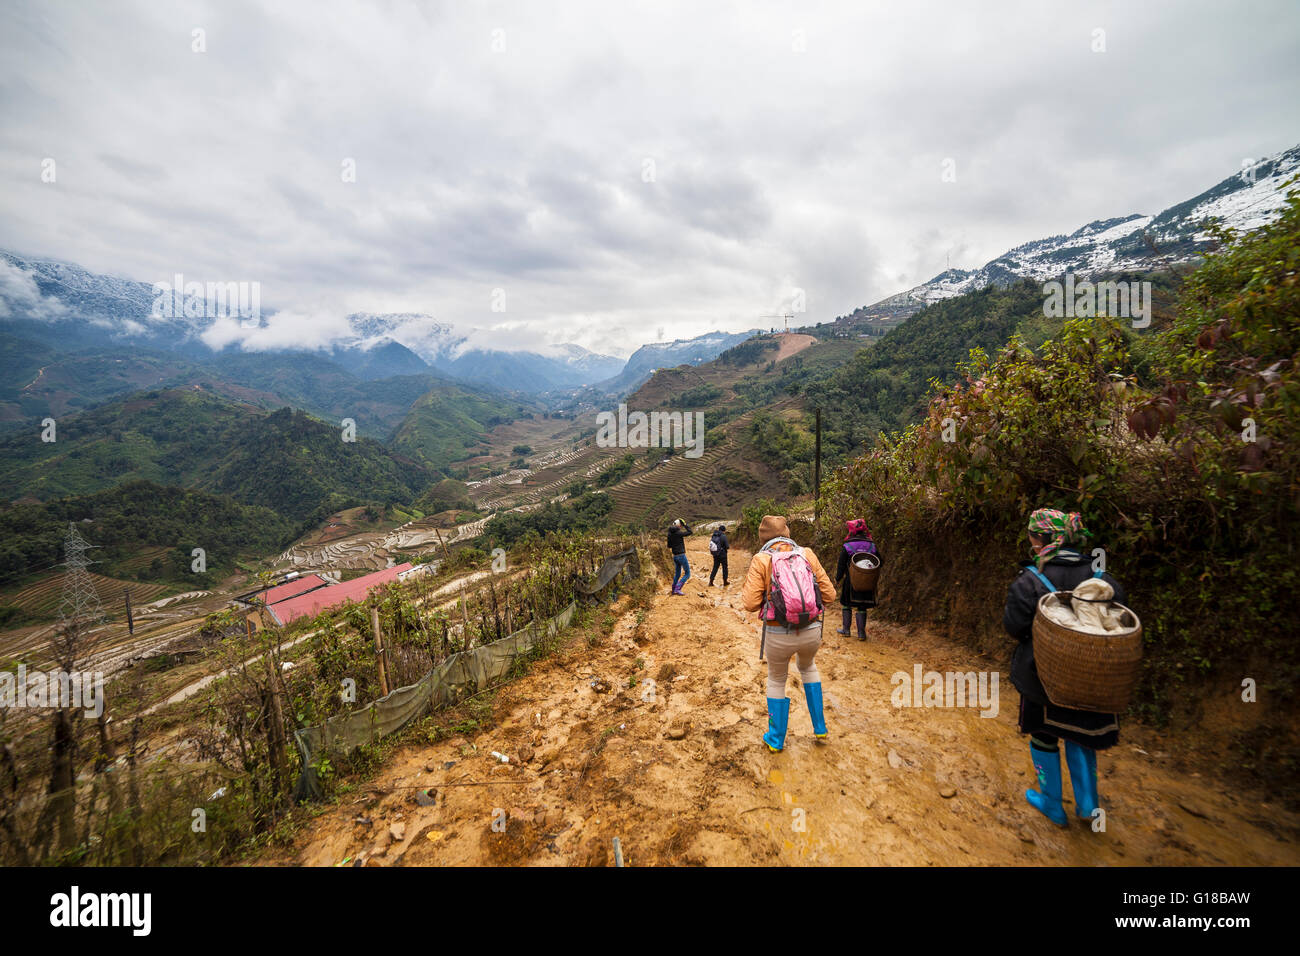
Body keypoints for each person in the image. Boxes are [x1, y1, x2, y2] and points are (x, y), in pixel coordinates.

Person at [1003, 508, 1127, 827]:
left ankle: (1052, 803)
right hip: (1094, 679)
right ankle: (1088, 806)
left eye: (1031, 535)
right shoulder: (1102, 578)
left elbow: (1015, 626)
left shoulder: (1031, 579)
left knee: (1044, 734)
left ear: (1039, 539)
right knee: (1081, 735)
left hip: (1043, 678)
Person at [741, 515, 837, 751]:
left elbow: (750, 603)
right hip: (811, 630)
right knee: (808, 668)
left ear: (763, 537)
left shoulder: (761, 559)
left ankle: (775, 740)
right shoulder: (806, 553)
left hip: (778, 633)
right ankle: (820, 727)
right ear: (787, 532)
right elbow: (830, 596)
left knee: (776, 679)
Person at [834, 518, 878, 640]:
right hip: (867, 581)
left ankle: (846, 630)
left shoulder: (847, 546)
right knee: (862, 606)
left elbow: (841, 564)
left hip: (850, 581)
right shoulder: (872, 545)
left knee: (846, 604)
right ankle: (861, 633)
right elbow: (880, 561)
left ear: (852, 531)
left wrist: (838, 578)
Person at [667, 517, 692, 596]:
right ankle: (678, 589)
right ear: (678, 526)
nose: (681, 527)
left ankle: (673, 589)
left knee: (677, 573)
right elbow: (690, 532)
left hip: (675, 556)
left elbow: (669, 546)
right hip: (681, 555)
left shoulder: (669, 534)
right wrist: (685, 525)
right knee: (687, 573)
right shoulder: (679, 533)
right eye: (680, 525)